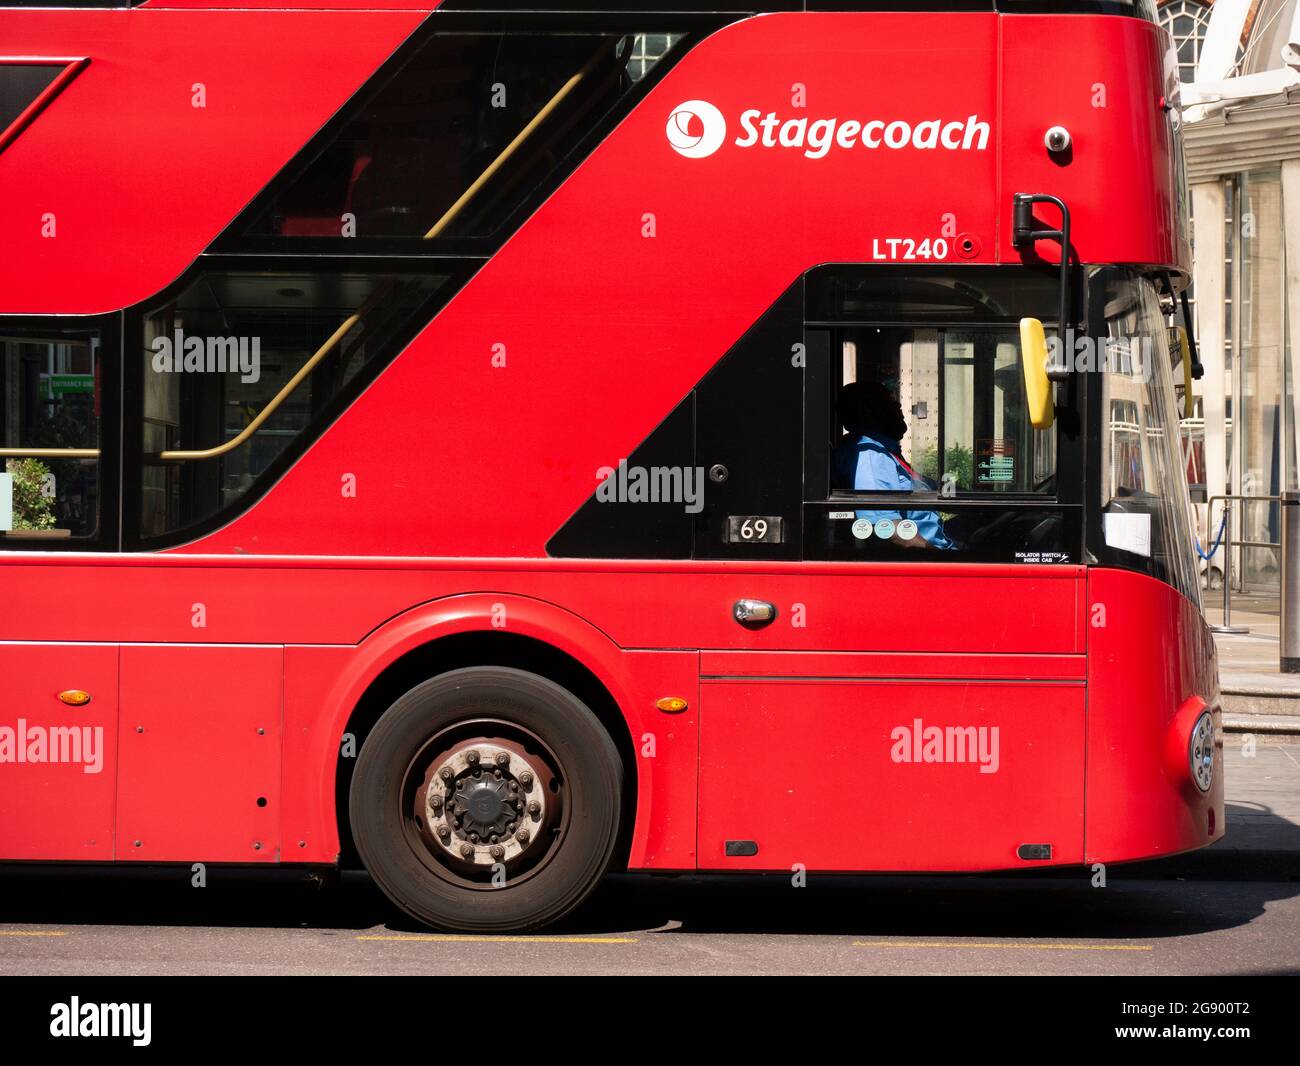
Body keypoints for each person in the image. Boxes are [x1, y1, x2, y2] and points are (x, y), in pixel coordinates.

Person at [831, 380, 955, 549]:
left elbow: (936, 492)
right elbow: (885, 525)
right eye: (888, 401)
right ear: (868, 412)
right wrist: (938, 559)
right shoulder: (870, 455)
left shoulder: (885, 453)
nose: (898, 405)